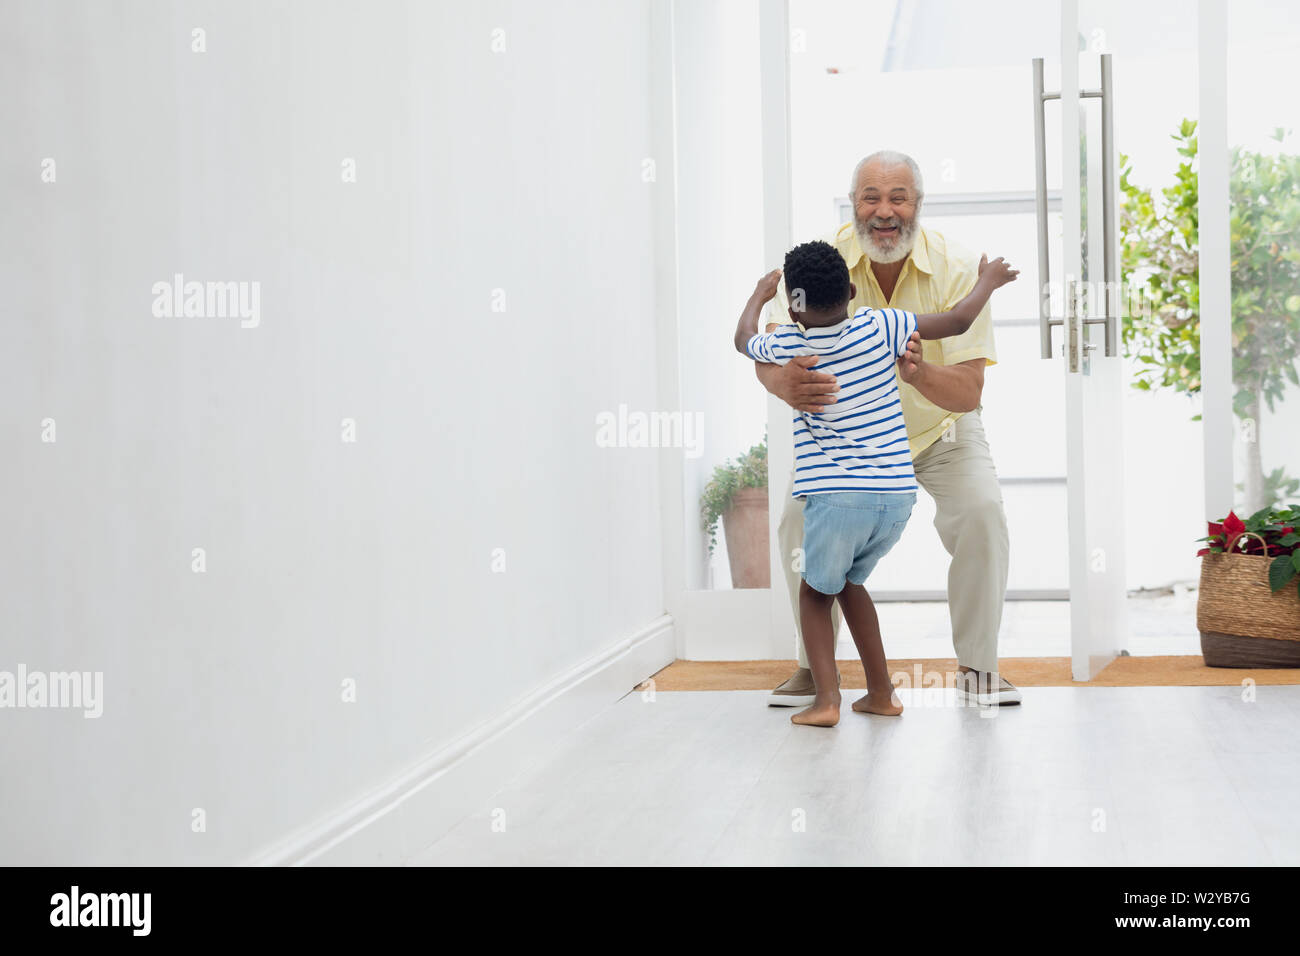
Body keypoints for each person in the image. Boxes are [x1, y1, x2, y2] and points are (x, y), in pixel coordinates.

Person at [755, 150, 1023, 707]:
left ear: (918, 204)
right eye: (870, 198)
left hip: (940, 430)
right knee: (795, 520)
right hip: (845, 439)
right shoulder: (818, 266)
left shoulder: (957, 266)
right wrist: (782, 383)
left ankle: (978, 667)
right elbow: (767, 352)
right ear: (853, 204)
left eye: (898, 198)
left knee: (982, 513)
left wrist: (920, 373)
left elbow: (970, 393)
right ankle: (813, 669)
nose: (884, 211)